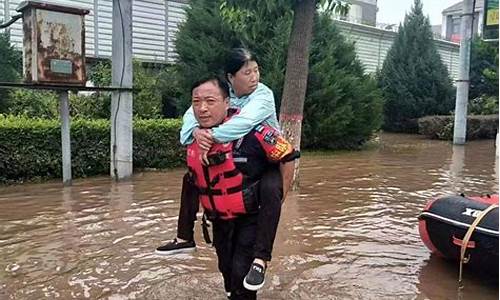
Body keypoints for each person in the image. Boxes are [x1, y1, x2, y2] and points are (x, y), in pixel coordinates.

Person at [156, 48, 295, 291]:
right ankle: (184, 237)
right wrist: (195, 132)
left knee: (272, 188)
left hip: (265, 164)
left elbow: (244, 124)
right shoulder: (218, 96)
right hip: (225, 196)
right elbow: (191, 118)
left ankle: (261, 259)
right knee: (191, 176)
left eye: (256, 70)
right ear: (231, 78)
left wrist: (208, 136)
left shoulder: (261, 99)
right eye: (247, 72)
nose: (254, 77)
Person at [184, 76, 298, 299]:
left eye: (210, 101)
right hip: (220, 219)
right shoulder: (194, 137)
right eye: (196, 102)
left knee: (241, 277)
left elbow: (288, 156)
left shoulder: (254, 131)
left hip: (251, 217)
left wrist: (277, 198)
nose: (202, 108)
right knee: (226, 271)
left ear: (228, 103)